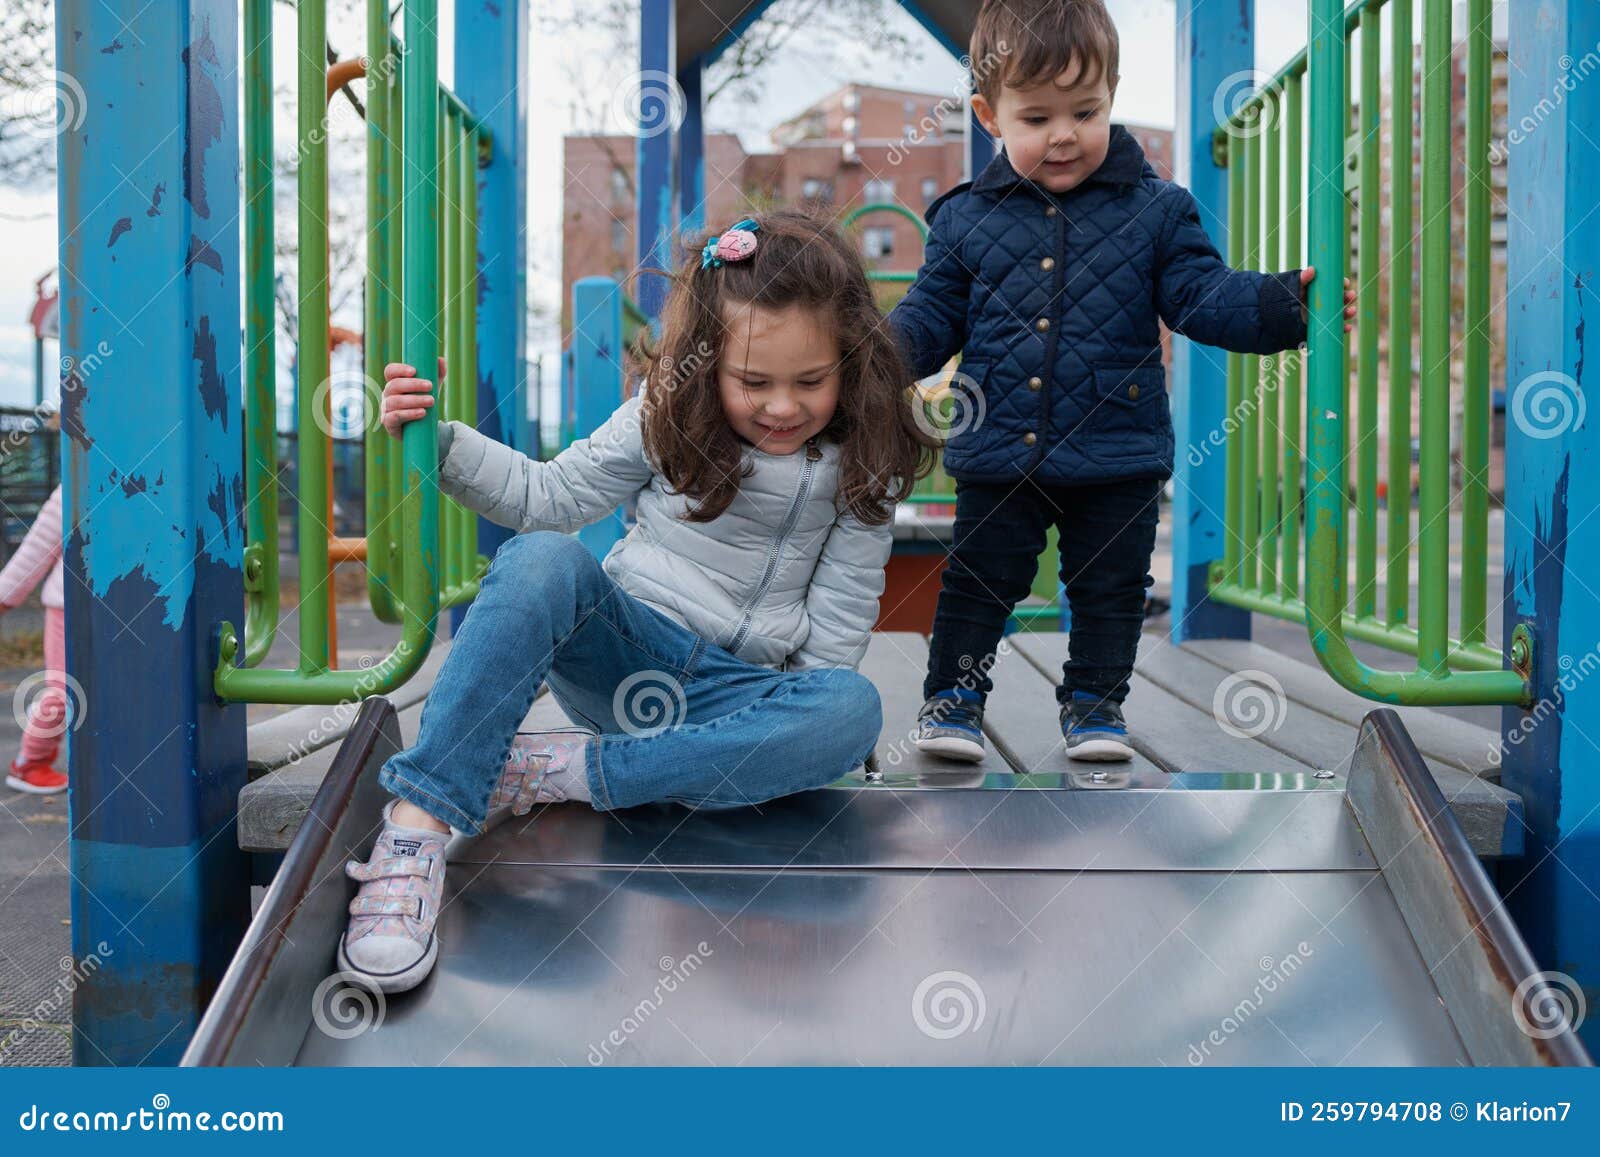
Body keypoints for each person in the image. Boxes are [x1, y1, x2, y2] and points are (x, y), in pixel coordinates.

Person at [338, 209, 936, 993]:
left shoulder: (867, 460)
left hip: (736, 696)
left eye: (810, 381)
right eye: (754, 382)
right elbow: (545, 496)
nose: (783, 406)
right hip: (627, 658)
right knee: (544, 559)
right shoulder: (667, 416)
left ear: (849, 364)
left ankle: (561, 770)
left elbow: (841, 618)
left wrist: (798, 735)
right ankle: (418, 827)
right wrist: (438, 441)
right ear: (709, 361)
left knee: (852, 704)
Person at [892, 0, 1356, 763]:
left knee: (1109, 589)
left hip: (1119, 447)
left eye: (1086, 109)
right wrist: (866, 353)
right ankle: (954, 701)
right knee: (979, 581)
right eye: (1036, 117)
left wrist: (1283, 305)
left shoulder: (1157, 211)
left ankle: (1095, 708)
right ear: (989, 116)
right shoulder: (964, 222)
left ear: (1113, 96)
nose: (1065, 133)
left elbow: (1203, 296)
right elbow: (929, 318)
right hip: (999, 445)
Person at [0, 484, 67, 794]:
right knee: (66, 692)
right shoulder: (75, 480)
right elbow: (38, 546)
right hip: (69, 609)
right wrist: (5, 597)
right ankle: (29, 764)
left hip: (127, 608)